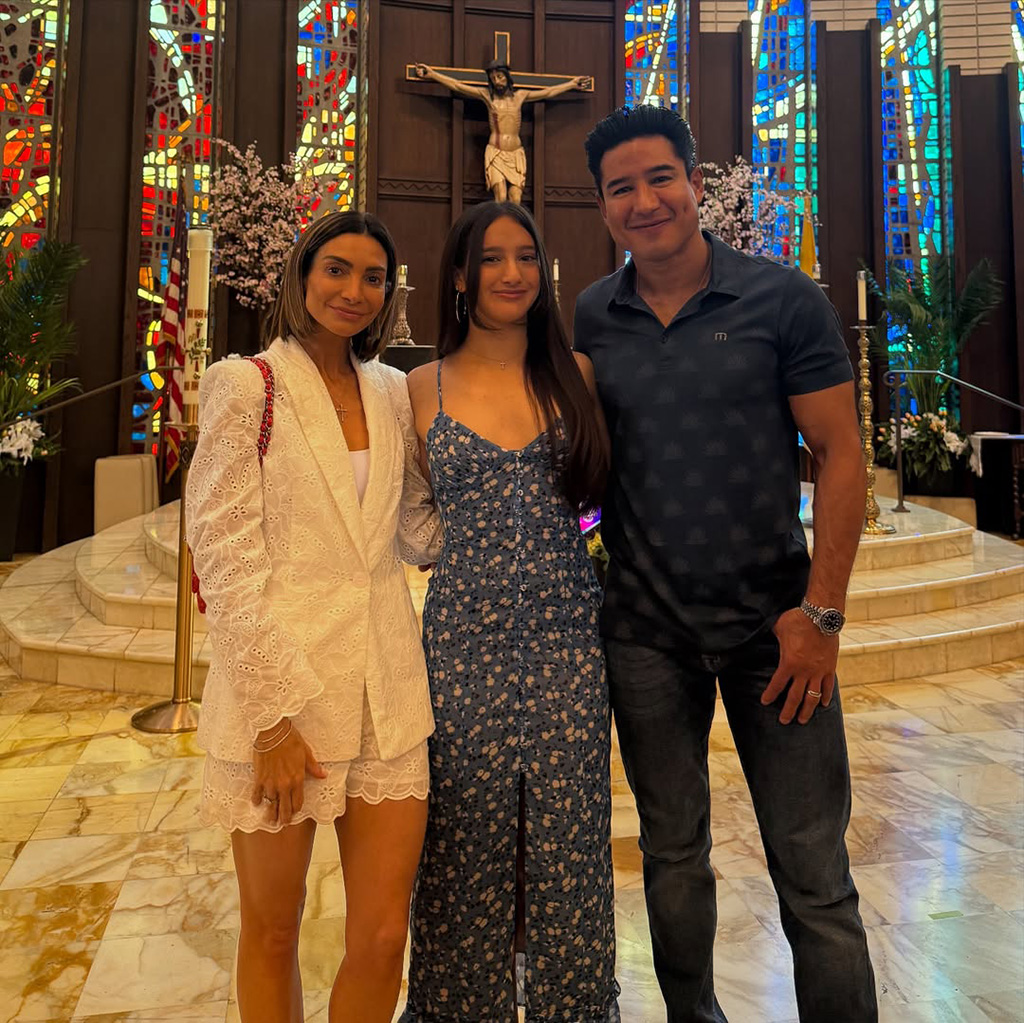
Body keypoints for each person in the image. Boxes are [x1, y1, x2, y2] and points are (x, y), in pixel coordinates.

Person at [574, 105, 878, 1022]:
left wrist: (821, 616)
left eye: (659, 178)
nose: (644, 200)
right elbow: (580, 459)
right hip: (645, 633)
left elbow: (841, 453)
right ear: (602, 206)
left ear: (695, 183)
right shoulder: (593, 314)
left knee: (813, 871)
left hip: (776, 632)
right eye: (621, 188)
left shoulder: (782, 300)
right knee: (672, 855)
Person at [186, 211, 441, 1023]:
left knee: (383, 936)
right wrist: (270, 719)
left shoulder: (394, 392)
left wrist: (517, 498)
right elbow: (223, 555)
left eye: (373, 277)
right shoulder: (247, 384)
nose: (354, 290)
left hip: (386, 691)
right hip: (281, 698)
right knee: (272, 929)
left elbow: (416, 531)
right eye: (337, 269)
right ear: (302, 275)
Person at [400, 201, 620, 1020]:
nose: (512, 273)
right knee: (464, 836)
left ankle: (575, 1004)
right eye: (492, 258)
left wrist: (572, 543)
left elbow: (600, 496)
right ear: (461, 276)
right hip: (462, 641)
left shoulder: (577, 374)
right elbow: (411, 515)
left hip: (567, 638)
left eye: (526, 256)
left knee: (570, 836)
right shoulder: (420, 385)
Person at [413, 60, 591, 203]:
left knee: (516, 199)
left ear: (507, 76)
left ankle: (513, 230)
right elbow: (458, 86)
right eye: (493, 78)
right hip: (496, 152)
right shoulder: (487, 96)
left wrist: (571, 84)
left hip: (515, 154)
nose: (497, 82)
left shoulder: (520, 96)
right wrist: (433, 74)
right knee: (501, 196)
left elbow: (548, 92)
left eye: (500, 77)